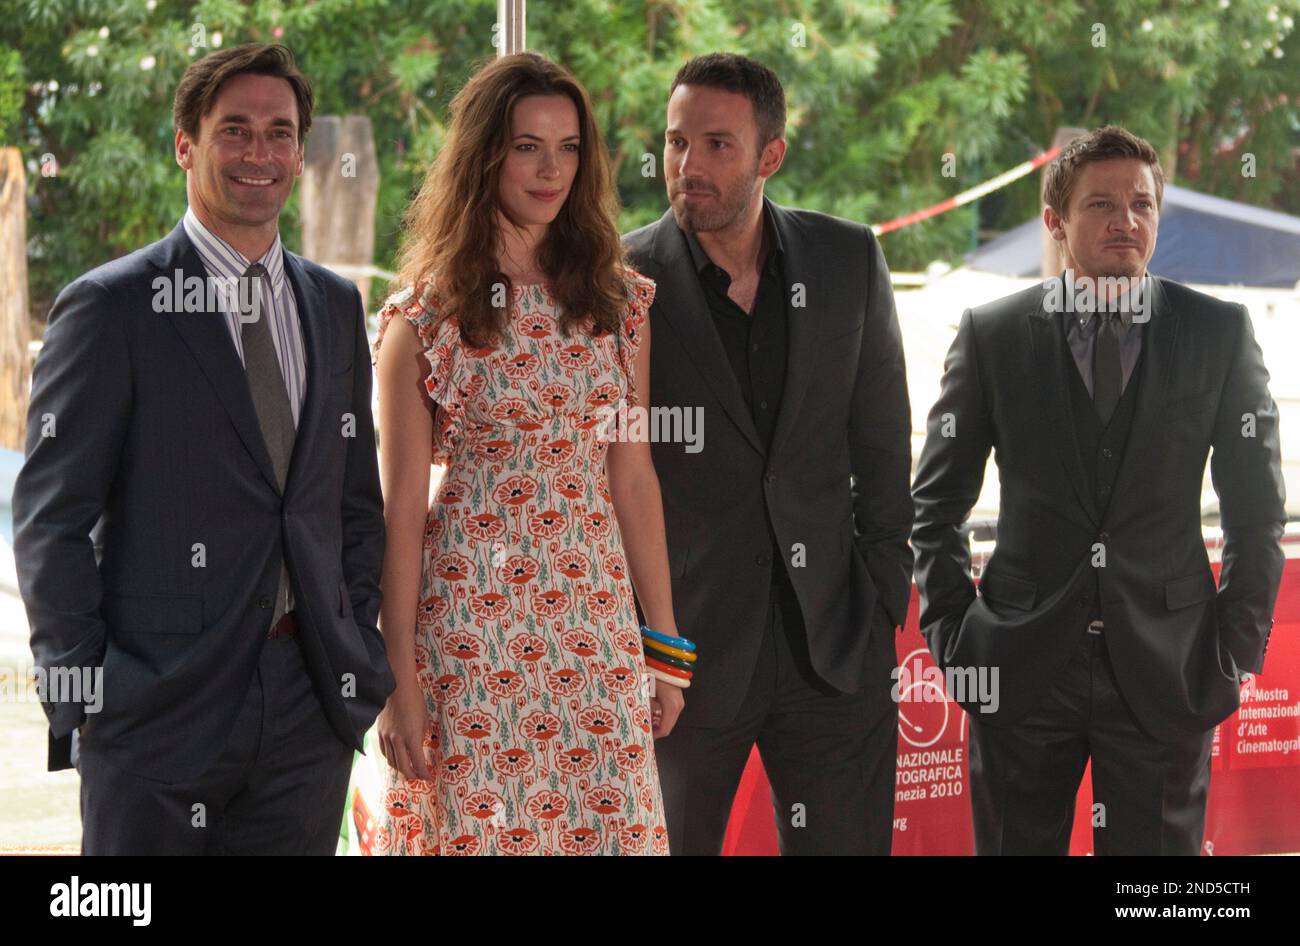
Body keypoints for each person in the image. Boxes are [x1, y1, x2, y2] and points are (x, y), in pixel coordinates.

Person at [12, 43, 395, 854]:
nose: (260, 153)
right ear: (185, 143)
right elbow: (51, 521)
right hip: (154, 715)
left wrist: (354, 644)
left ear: (300, 149)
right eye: (234, 131)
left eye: (280, 132)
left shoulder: (334, 307)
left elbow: (352, 504)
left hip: (306, 709)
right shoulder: (111, 307)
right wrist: (90, 696)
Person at [911, 125, 1286, 855]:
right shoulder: (994, 335)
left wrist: (1230, 656)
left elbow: (1256, 513)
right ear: (1055, 220)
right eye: (1102, 205)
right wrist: (958, 641)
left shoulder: (1218, 332)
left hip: (1169, 671)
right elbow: (936, 505)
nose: (1126, 221)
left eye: (1142, 204)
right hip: (1017, 671)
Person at [366, 51, 680, 856]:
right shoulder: (423, 318)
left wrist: (666, 646)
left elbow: (633, 475)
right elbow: (398, 510)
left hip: (595, 622)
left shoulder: (619, 302)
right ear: (485, 156)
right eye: (527, 146)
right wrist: (397, 680)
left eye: (569, 147)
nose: (551, 169)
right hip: (469, 620)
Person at [623, 53, 914, 856]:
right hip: (677, 658)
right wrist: (645, 639)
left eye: (718, 144)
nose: (689, 167)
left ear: (770, 156)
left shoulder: (847, 259)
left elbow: (885, 440)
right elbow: (608, 469)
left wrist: (883, 593)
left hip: (833, 651)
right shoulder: (621, 278)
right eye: (677, 143)